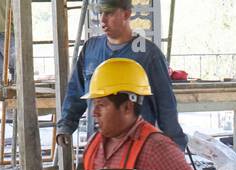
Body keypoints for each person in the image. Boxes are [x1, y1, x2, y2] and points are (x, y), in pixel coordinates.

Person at [56, 0, 187, 151]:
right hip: (99, 146)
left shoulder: (149, 56)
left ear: (127, 14)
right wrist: (66, 124)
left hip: (137, 149)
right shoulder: (91, 49)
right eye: (101, 13)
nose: (103, 20)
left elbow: (166, 106)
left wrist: (175, 149)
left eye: (109, 13)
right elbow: (76, 91)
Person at [77, 58, 205, 170]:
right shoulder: (93, 145)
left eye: (101, 105)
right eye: (94, 104)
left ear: (127, 107)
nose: (94, 112)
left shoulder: (156, 148)